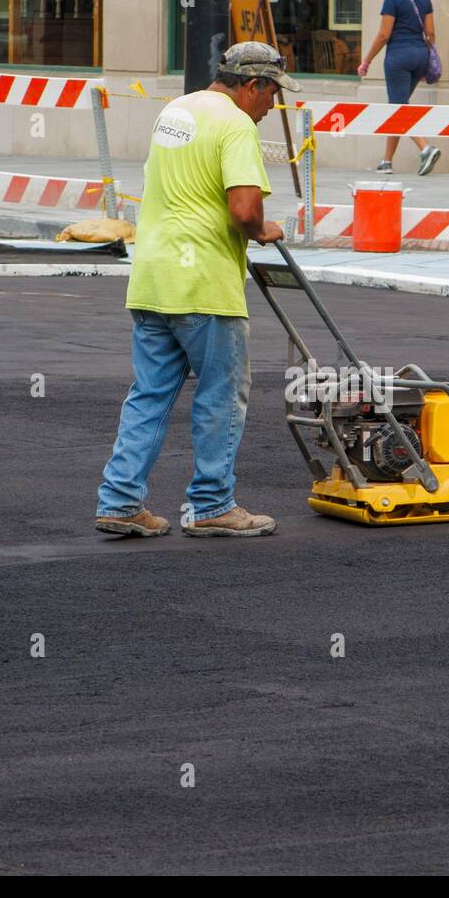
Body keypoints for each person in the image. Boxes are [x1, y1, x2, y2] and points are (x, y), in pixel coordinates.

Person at [94, 41, 299, 539]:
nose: (272, 106)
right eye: (271, 94)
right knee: (221, 395)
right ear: (252, 85)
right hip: (203, 283)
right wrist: (264, 230)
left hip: (153, 275)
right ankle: (211, 504)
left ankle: (120, 500)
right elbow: (245, 211)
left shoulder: (176, 109)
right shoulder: (235, 125)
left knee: (149, 394)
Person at [357, 0, 441, 176]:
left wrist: (367, 61)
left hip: (399, 58)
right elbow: (431, 33)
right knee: (398, 106)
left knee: (398, 108)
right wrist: (425, 62)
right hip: (420, 56)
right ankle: (387, 161)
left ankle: (425, 148)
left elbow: (384, 34)